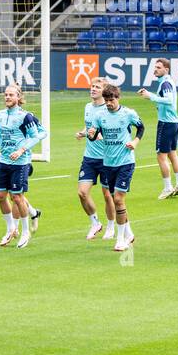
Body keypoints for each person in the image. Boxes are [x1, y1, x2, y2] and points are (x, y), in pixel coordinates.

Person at [0, 84, 46, 248]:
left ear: (18, 97)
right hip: (3, 161)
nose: (8, 97)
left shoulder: (26, 117)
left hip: (21, 162)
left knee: (17, 197)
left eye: (11, 95)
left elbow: (37, 136)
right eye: (6, 95)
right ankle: (11, 229)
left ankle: (25, 232)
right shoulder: (0, 115)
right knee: (0, 196)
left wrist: (21, 150)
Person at [88, 83, 145, 252]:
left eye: (111, 100)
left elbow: (141, 127)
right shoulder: (99, 115)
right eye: (106, 100)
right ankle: (129, 233)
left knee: (119, 199)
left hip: (125, 162)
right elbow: (94, 134)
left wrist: (135, 141)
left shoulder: (128, 114)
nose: (108, 103)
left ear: (117, 98)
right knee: (116, 201)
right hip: (108, 163)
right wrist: (92, 135)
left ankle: (120, 240)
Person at [73, 77, 115, 241]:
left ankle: (111, 226)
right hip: (89, 158)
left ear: (104, 91)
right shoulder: (88, 107)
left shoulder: (108, 110)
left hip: (107, 159)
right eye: (92, 86)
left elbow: (113, 132)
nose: (93, 89)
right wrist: (83, 133)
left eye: (97, 87)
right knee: (82, 193)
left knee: (108, 195)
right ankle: (95, 222)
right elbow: (90, 126)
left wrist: (101, 137)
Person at [138, 57, 178, 199]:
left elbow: (168, 100)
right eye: (155, 67)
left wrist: (150, 96)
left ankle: (168, 187)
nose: (155, 70)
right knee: (172, 154)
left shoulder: (165, 83)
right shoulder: (166, 82)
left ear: (166, 69)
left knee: (161, 156)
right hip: (174, 122)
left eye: (158, 67)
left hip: (166, 123)